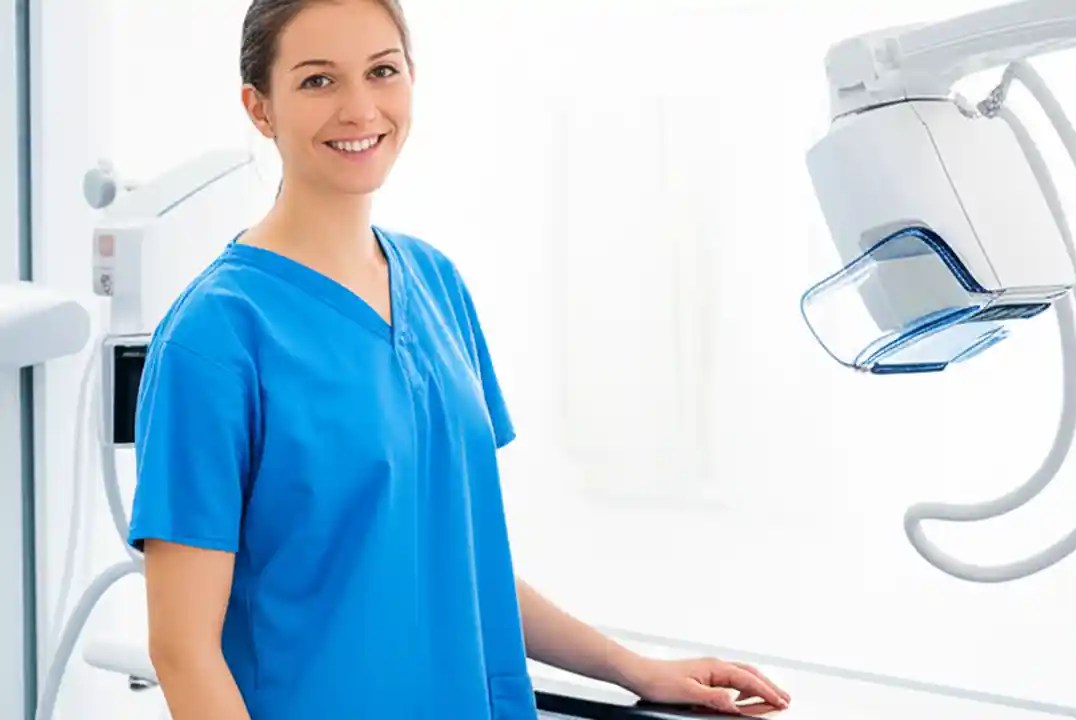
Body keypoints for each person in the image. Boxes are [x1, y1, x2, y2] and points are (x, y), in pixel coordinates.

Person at [126, 1, 792, 718]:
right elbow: (182, 649)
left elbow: (460, 561)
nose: (360, 108)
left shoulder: (435, 283)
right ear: (260, 109)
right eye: (319, 81)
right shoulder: (214, 338)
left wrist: (634, 669)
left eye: (382, 72)